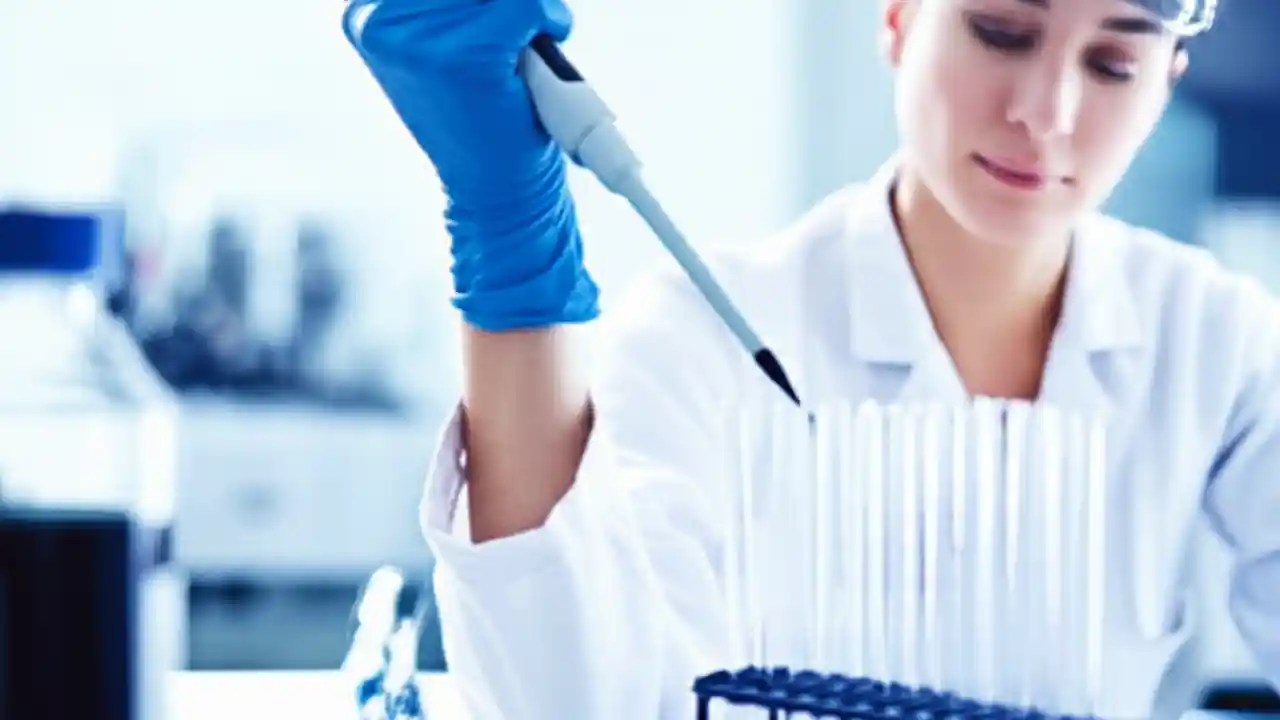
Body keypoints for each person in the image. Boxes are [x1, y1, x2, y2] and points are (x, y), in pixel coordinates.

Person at [343, 0, 1280, 716]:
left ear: (1167, 80)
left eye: (1114, 62)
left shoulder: (1213, 338)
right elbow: (576, 701)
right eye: (1001, 30)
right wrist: (509, 236)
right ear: (901, 19)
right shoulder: (701, 334)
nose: (1046, 112)